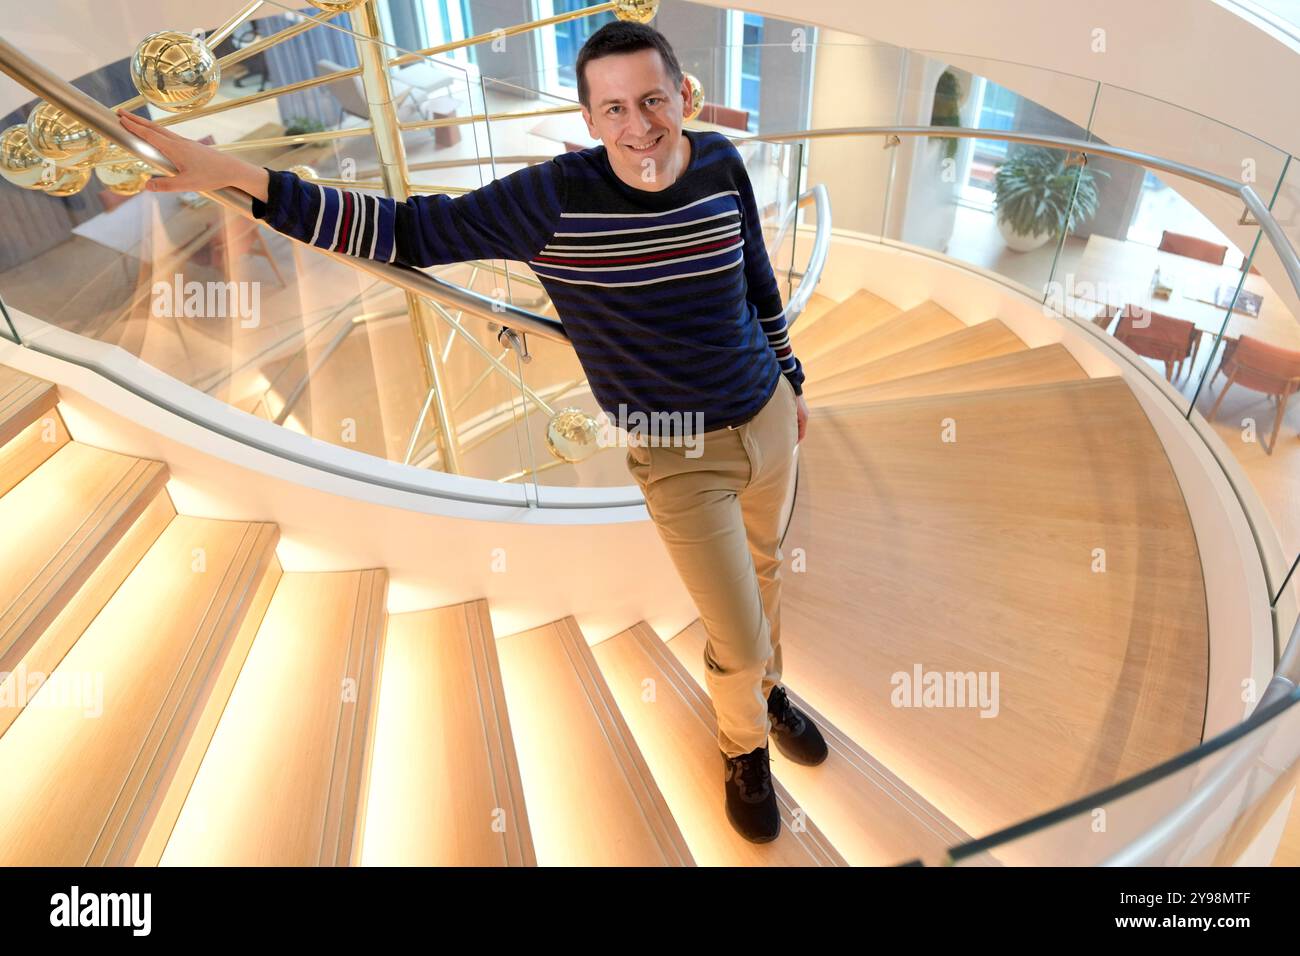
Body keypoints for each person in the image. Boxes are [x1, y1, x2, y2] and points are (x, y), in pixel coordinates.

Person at [117, 19, 827, 845]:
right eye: (615, 109)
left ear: (681, 97)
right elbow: (407, 231)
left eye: (653, 100)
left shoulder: (719, 163)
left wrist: (794, 379)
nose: (639, 126)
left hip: (768, 411)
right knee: (735, 636)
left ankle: (769, 695)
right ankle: (744, 743)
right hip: (677, 454)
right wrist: (245, 179)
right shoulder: (552, 198)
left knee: (770, 567)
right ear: (589, 118)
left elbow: (756, 284)